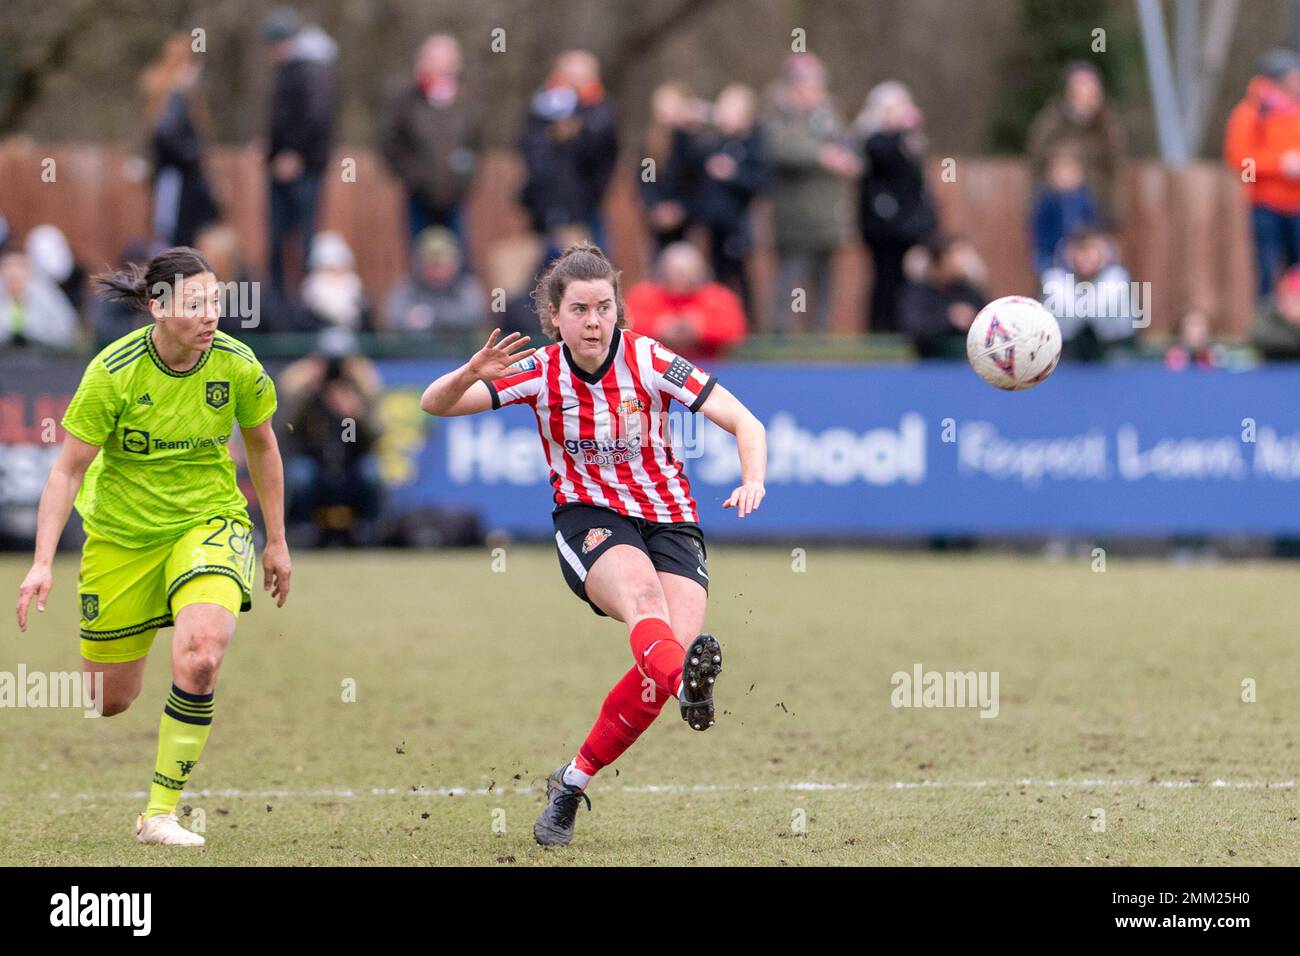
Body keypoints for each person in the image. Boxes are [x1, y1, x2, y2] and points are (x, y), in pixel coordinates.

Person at [418, 242, 767, 847]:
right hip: (591, 519)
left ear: (618, 310)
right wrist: (469, 373)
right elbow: (435, 404)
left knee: (659, 669)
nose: (594, 321)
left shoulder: (650, 358)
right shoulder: (539, 371)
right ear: (554, 315)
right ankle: (689, 683)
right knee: (643, 604)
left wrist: (753, 478)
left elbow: (746, 421)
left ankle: (573, 782)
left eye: (604, 307)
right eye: (579, 309)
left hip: (671, 519)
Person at [14, 246, 290, 846]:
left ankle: (160, 813)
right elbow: (65, 472)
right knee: (108, 700)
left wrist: (277, 541)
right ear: (158, 308)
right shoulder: (112, 373)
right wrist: (40, 564)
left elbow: (264, 446)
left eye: (216, 301)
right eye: (196, 304)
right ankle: (155, 610)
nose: (212, 315)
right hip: (122, 537)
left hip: (209, 522)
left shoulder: (238, 366)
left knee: (201, 655)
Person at [763, 53, 860, 334]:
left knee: (825, 285)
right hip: (795, 222)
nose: (817, 91)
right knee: (790, 283)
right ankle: (780, 335)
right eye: (811, 83)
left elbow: (851, 148)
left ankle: (821, 337)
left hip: (828, 222)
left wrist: (848, 158)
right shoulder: (778, 117)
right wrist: (822, 156)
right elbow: (780, 149)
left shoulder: (828, 117)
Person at [263, 7, 338, 302]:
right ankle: (282, 303)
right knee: (282, 240)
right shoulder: (297, 68)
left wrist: (293, 153)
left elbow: (315, 116)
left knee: (301, 240)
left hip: (301, 168)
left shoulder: (311, 68)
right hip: (291, 164)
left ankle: (300, 304)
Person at [380, 34, 482, 248]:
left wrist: (463, 177)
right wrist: (414, 176)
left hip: (455, 195)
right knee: (420, 255)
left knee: (457, 256)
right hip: (418, 195)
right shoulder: (407, 99)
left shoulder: (466, 98)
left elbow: (476, 144)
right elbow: (390, 143)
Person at [855, 81, 937, 332]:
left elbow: (915, 183)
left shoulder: (910, 144)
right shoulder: (874, 140)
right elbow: (883, 155)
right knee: (884, 278)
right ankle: (879, 329)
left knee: (907, 279)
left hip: (908, 226)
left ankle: (903, 327)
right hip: (882, 229)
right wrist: (902, 129)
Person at [678, 84, 767, 308]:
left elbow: (760, 183)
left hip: (738, 223)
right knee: (717, 275)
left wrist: (733, 174)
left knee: (739, 274)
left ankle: (747, 322)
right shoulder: (714, 142)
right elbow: (688, 163)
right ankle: (721, 318)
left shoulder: (752, 144)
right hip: (713, 224)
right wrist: (689, 127)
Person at [519, 50, 619, 245]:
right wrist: (553, 136)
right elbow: (529, 147)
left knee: (591, 265)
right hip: (544, 205)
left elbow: (603, 156)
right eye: (569, 75)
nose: (573, 83)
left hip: (585, 206)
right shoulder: (542, 105)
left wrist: (579, 132)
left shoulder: (602, 110)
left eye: (580, 77)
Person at [1225, 48, 1300, 300]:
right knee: (1267, 269)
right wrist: (1281, 165)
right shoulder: (1250, 113)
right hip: (1265, 205)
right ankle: (1268, 326)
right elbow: (1240, 160)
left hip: (1297, 205)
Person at [1027, 61, 1125, 228]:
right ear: (1069, 90)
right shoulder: (1052, 122)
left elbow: (1114, 165)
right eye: (1083, 84)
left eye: (1092, 84)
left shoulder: (1106, 125)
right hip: (1058, 208)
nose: (1089, 90)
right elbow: (1038, 158)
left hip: (1098, 210)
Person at [141, 35, 218, 247]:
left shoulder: (174, 96)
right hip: (176, 179)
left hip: (179, 179)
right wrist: (194, 155)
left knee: (176, 236)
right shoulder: (175, 96)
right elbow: (165, 134)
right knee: (173, 239)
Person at [625, 241, 747, 361]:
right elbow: (625, 328)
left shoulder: (718, 296)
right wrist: (659, 328)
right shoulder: (643, 295)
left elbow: (736, 331)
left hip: (708, 367)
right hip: (651, 368)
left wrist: (701, 329)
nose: (681, 278)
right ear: (662, 271)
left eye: (686, 272)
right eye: (675, 272)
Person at [1041, 227, 1138, 361]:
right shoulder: (1054, 279)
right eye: (1081, 250)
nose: (1086, 257)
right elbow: (1068, 317)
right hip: (1065, 356)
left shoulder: (1117, 278)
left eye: (1091, 250)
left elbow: (1097, 312)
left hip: (1115, 353)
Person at [898, 236, 989, 358]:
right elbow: (914, 330)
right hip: (928, 365)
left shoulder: (969, 291)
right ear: (939, 262)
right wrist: (949, 318)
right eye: (954, 256)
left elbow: (990, 325)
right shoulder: (917, 293)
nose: (962, 262)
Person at [384, 226, 486, 333]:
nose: (436, 272)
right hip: (415, 349)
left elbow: (473, 316)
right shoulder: (406, 287)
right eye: (431, 265)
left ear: (455, 264)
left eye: (442, 265)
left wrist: (429, 317)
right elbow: (393, 319)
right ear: (418, 265)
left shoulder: (467, 286)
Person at [1030, 148, 1100, 276]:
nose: (1066, 177)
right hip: (1051, 253)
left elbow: (1092, 227)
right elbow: (1040, 235)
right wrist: (1059, 251)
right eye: (1061, 173)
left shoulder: (1085, 199)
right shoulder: (1046, 202)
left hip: (1081, 250)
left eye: (1071, 173)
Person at [0, 246, 80, 351]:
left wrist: (34, 333)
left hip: (42, 358)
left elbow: (68, 329)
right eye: (8, 267)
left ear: (29, 271)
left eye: (20, 267)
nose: (13, 272)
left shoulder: (46, 295)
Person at [300, 231, 373, 332]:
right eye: (329, 270)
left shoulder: (362, 307)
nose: (334, 277)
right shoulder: (305, 312)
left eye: (340, 270)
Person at [1251, 265, 1300, 360]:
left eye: (1297, 300)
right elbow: (1262, 339)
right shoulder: (1268, 314)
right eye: (1286, 299)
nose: (1290, 305)